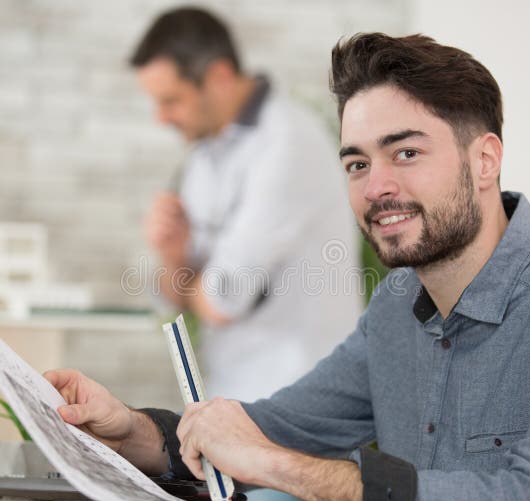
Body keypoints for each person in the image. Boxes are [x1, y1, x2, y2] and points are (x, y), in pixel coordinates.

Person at [47, 33, 530, 501]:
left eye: (405, 153)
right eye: (356, 162)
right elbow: (274, 427)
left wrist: (280, 469)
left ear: (484, 161)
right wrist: (132, 429)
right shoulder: (398, 306)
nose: (375, 187)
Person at [134, 7, 361, 403]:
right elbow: (179, 291)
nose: (161, 118)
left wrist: (186, 277)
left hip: (298, 401)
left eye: (171, 100)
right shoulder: (205, 153)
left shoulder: (287, 144)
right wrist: (173, 256)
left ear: (219, 77)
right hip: (234, 395)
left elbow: (223, 299)